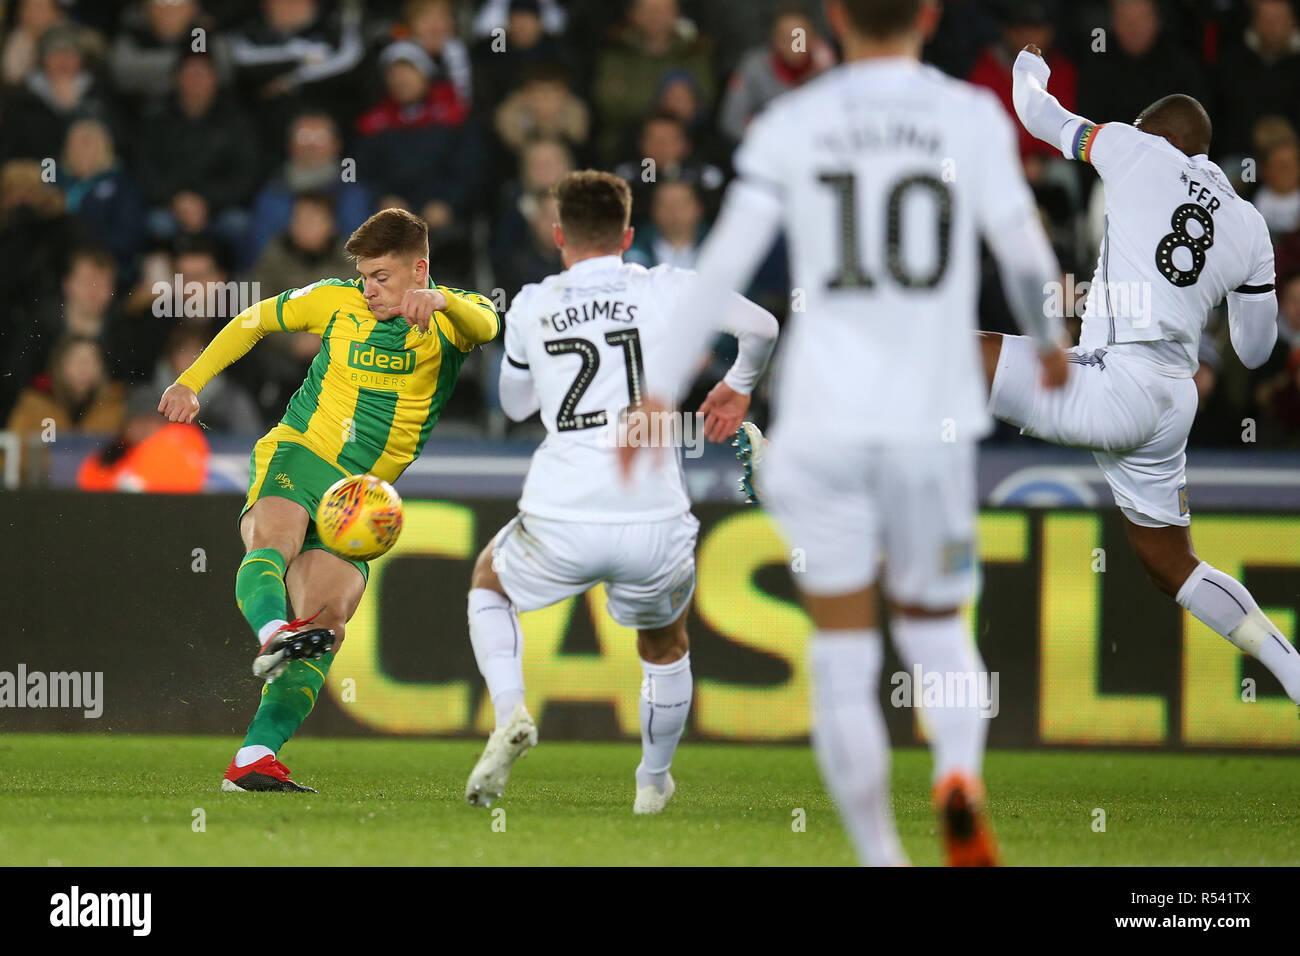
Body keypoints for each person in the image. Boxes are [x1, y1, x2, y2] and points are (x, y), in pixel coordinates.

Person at [659, 0, 1070, 865]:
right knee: (936, 626)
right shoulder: (969, 114)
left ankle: (882, 856)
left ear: (836, 17)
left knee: (843, 648)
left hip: (823, 419)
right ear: (928, 13)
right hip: (929, 417)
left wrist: (659, 389)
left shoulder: (792, 119)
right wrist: (1055, 344)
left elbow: (721, 266)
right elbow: (1024, 249)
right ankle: (957, 772)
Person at [988, 48, 1300, 732]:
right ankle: (1296, 673)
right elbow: (1253, 348)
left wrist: (1028, 66)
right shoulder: (1249, 227)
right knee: (1169, 562)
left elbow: (1039, 115)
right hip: (1170, 401)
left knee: (959, 358)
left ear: (1159, 135)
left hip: (1114, 377)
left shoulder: (1131, 148)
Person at [462, 171, 778, 813]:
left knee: (488, 585)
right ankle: (651, 783)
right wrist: (739, 382)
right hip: (653, 515)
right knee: (664, 647)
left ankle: (510, 712)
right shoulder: (672, 288)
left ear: (558, 236)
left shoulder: (530, 304)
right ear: (630, 235)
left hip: (561, 512)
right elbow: (764, 327)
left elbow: (515, 405)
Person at [157, 208, 500, 792]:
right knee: (274, 541)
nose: (369, 289)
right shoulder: (335, 300)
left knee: (328, 622)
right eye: (364, 275)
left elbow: (489, 325)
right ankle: (271, 634)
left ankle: (253, 760)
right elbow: (254, 319)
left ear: (420, 269)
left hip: (361, 501)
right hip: (302, 452)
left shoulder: (454, 317)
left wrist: (440, 303)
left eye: (383, 277)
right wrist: (192, 380)